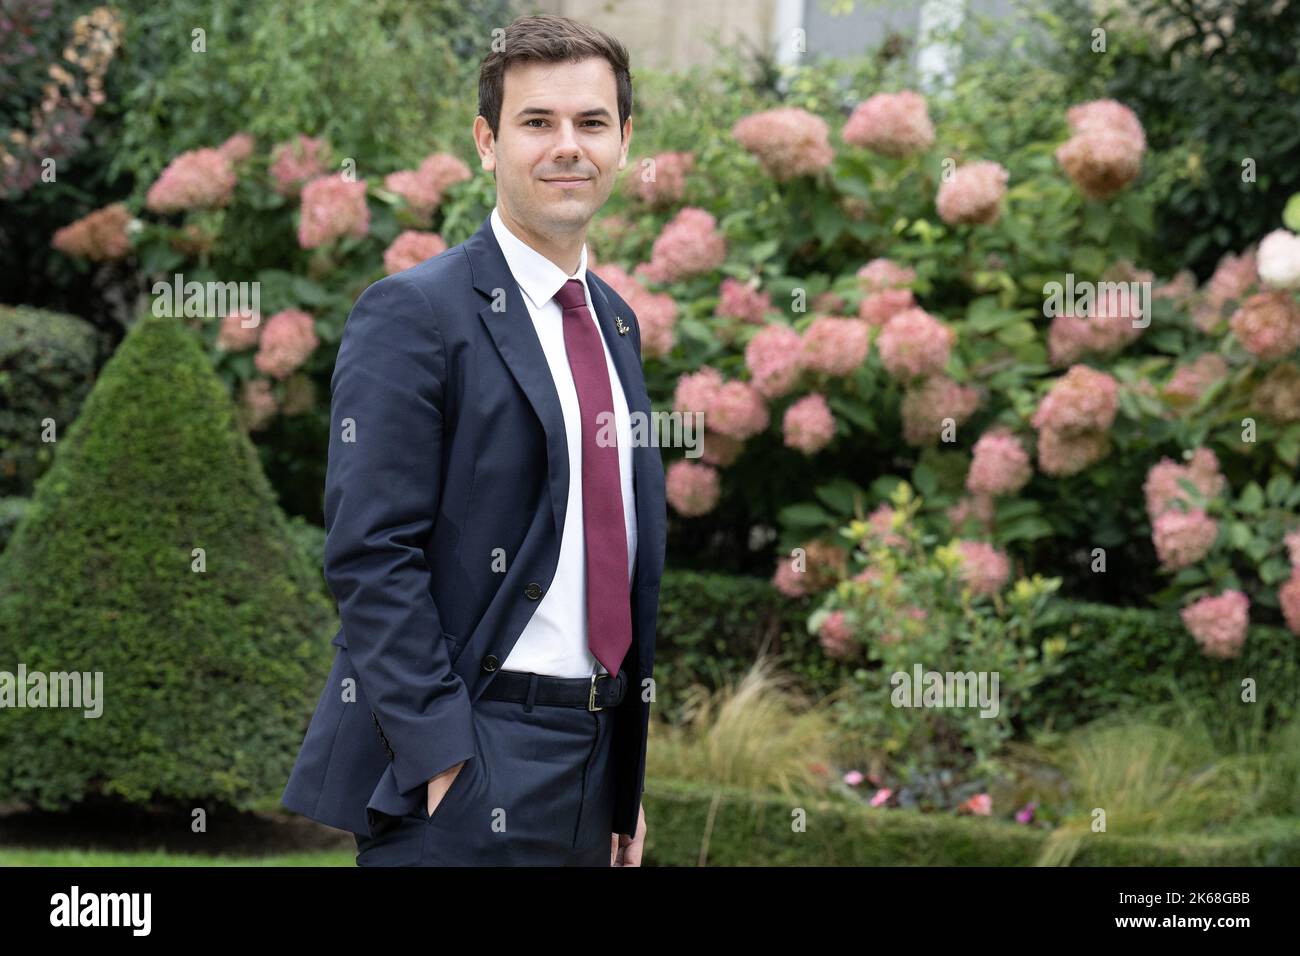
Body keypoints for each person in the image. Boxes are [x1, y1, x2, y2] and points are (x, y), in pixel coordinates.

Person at [279, 13, 666, 866]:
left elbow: (623, 552)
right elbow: (370, 551)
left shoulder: (616, 324)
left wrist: (624, 782)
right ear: (488, 143)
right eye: (538, 123)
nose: (568, 146)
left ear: (623, 141)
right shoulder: (415, 313)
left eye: (591, 123)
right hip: (470, 755)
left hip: (595, 762)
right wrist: (441, 754)